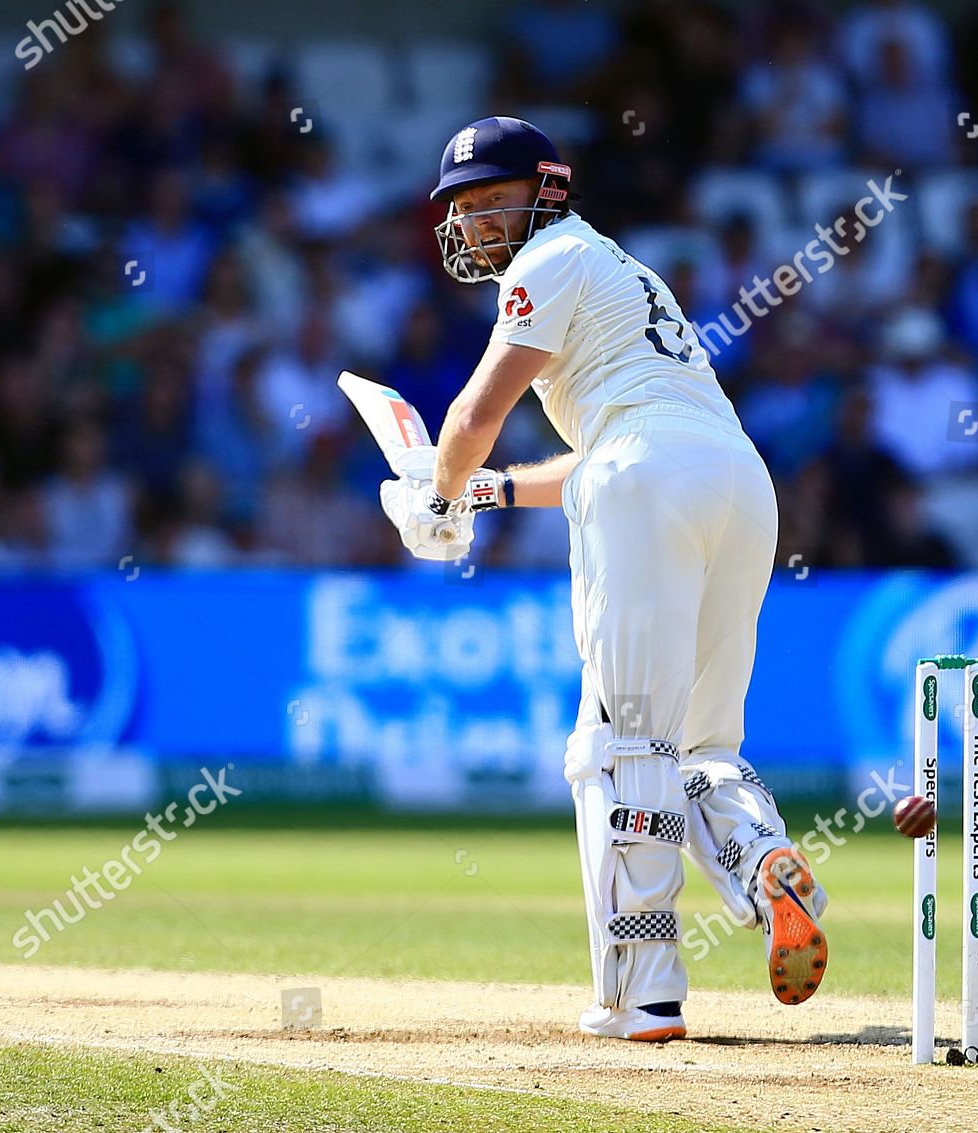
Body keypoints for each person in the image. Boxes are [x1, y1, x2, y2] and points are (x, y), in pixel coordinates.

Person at [378, 116, 828, 1041]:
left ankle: (643, 995)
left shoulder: (546, 261)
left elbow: (476, 411)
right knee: (700, 747)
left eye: (488, 199)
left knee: (618, 749)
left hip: (646, 477)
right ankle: (764, 859)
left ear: (546, 191)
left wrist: (437, 496)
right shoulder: (623, 271)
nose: (469, 222)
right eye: (459, 207)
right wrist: (488, 495)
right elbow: (608, 452)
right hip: (739, 483)